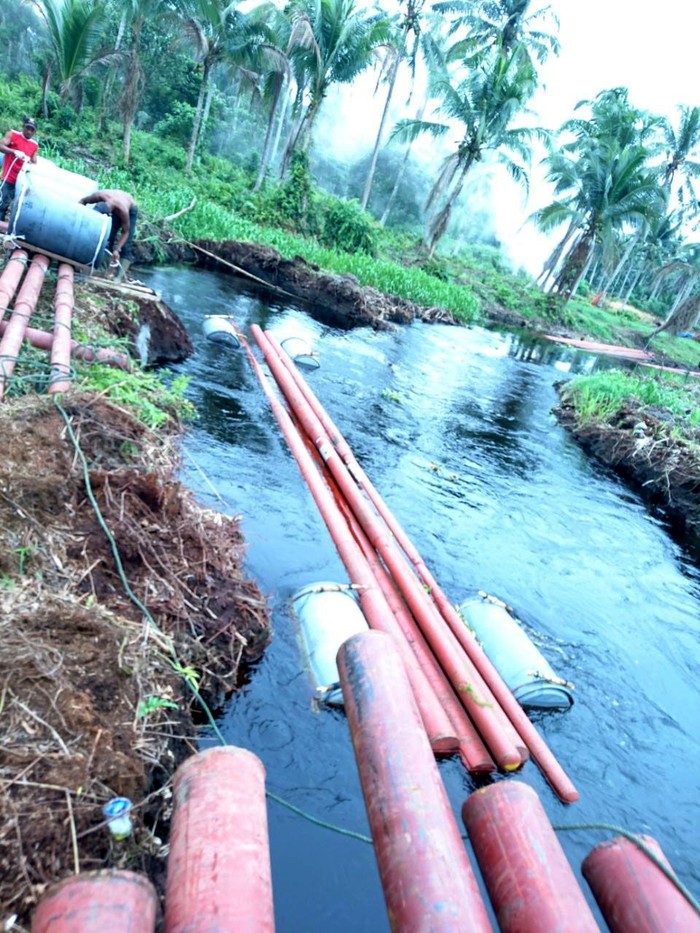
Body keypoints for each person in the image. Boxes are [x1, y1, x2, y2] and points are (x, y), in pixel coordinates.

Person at [79, 188, 138, 280]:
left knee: (126, 246)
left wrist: (117, 249)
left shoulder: (124, 211)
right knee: (108, 237)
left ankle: (118, 277)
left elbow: (125, 232)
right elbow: (82, 201)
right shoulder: (98, 196)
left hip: (130, 208)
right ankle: (101, 269)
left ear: (110, 215)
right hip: (115, 201)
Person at [0, 117, 39, 221]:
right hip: (8, 177)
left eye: (32, 130)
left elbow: (34, 162)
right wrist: (14, 152)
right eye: (27, 128)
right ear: (23, 127)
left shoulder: (34, 145)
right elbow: (1, 146)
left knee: (18, 207)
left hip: (21, 181)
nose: (29, 131)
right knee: (3, 204)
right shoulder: (13, 134)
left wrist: (30, 163)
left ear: (34, 132)